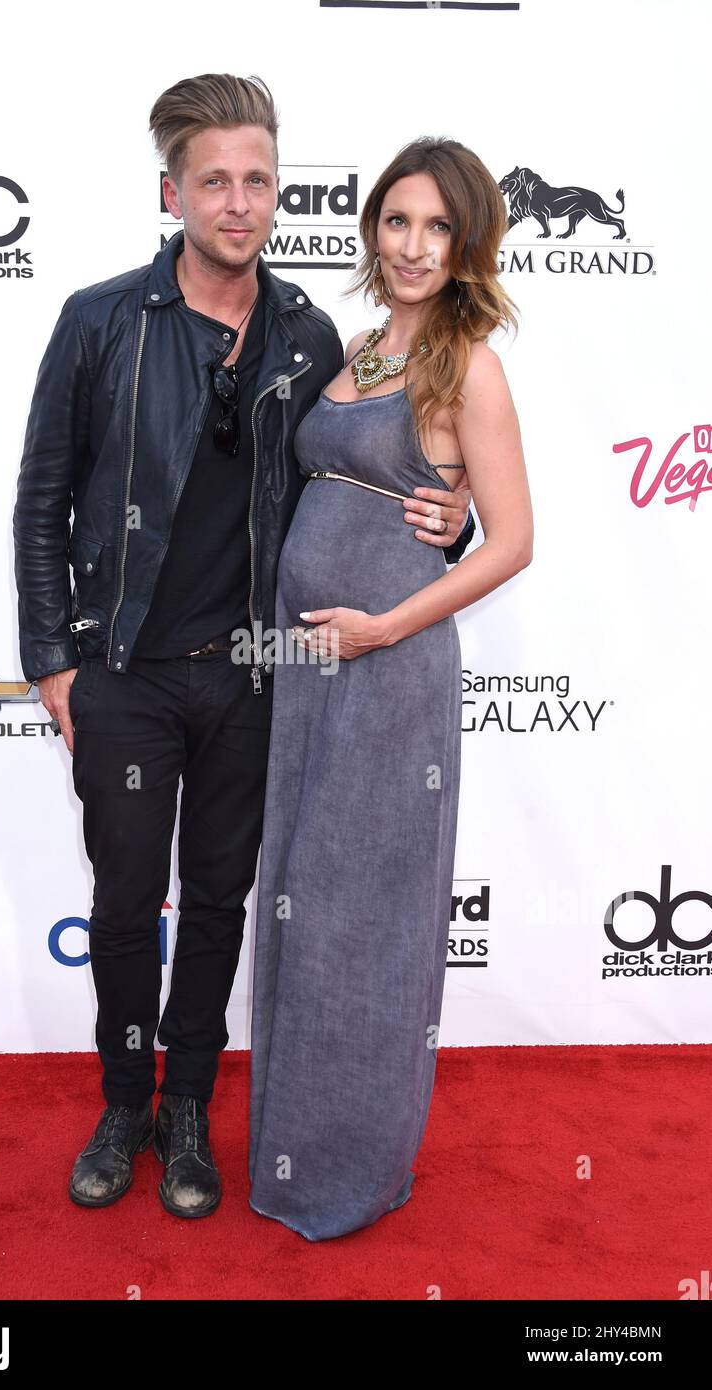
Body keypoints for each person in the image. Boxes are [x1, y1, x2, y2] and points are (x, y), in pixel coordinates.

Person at [12, 75, 475, 1222]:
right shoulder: (100, 320)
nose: (236, 201)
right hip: (119, 669)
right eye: (212, 180)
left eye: (255, 179)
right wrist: (51, 659)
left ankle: (187, 1116)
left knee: (220, 903)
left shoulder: (311, 336)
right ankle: (124, 1103)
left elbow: (374, 457)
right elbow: (42, 498)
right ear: (172, 191)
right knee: (126, 905)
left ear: (278, 192)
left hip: (254, 674)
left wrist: (450, 513)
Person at [248, 135, 534, 1241]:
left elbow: (507, 544)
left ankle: (346, 1170)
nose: (411, 246)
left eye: (435, 228)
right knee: (299, 900)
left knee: (358, 920)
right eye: (395, 221)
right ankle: (291, 1146)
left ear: (464, 248)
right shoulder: (357, 343)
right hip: (310, 666)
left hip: (387, 671)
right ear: (373, 229)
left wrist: (380, 628)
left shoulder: (471, 364)